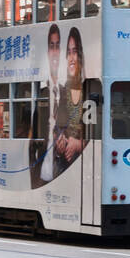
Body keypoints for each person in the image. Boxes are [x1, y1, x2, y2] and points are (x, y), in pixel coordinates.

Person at [29, 23, 62, 188]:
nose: (54, 52)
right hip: (41, 175)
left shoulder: (70, 94)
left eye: (58, 46)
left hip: (61, 175)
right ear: (47, 52)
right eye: (51, 46)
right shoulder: (41, 93)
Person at [52, 26, 88, 177]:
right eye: (69, 53)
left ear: (81, 56)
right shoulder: (62, 92)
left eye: (76, 52)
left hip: (87, 167)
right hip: (64, 169)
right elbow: (55, 129)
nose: (72, 58)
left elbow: (101, 132)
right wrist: (58, 142)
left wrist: (79, 144)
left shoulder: (90, 89)